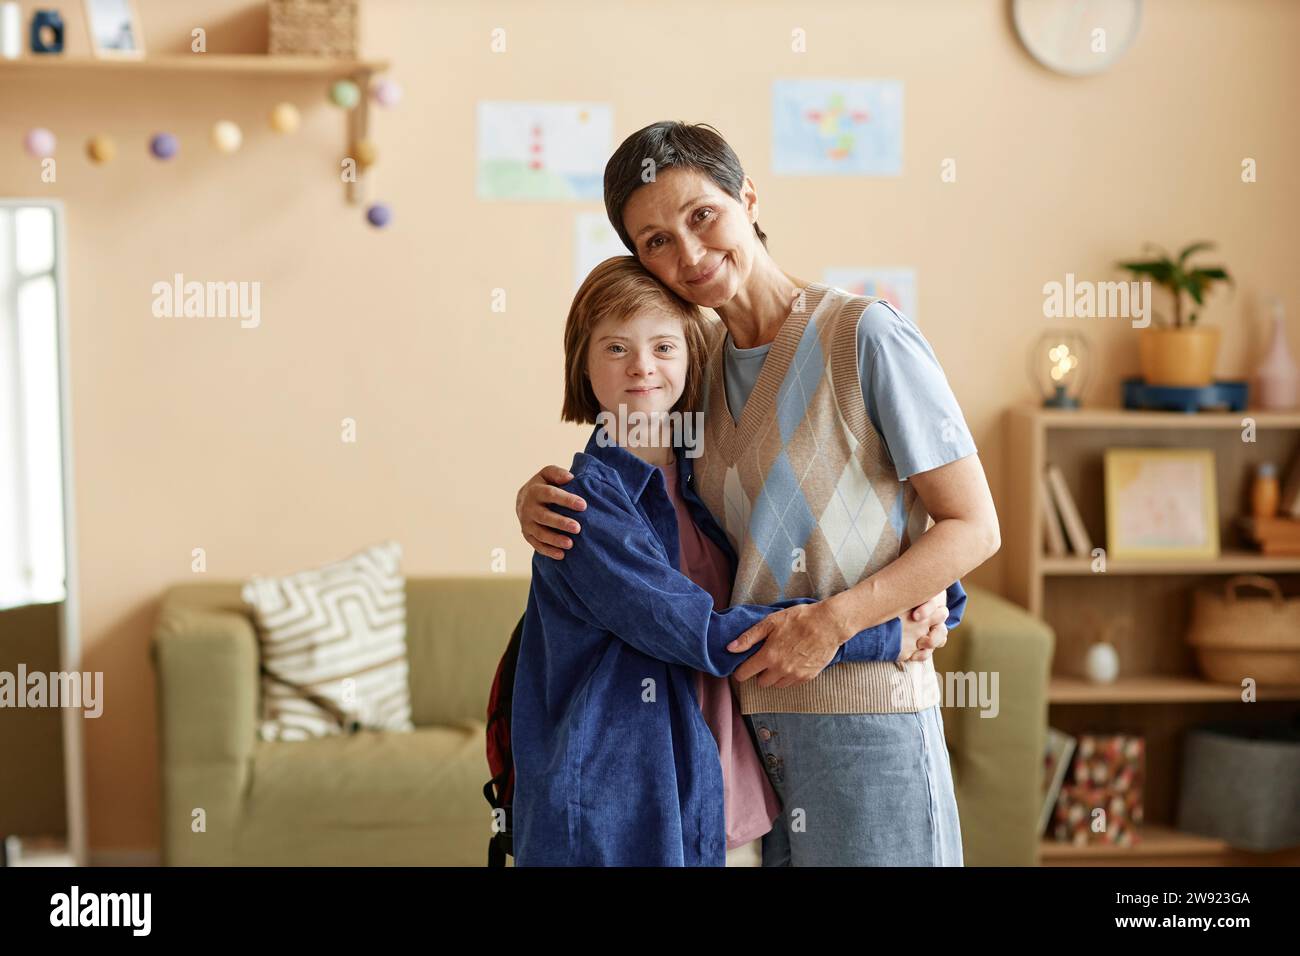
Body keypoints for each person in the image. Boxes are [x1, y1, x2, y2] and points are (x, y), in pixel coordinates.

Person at [516, 122, 999, 866]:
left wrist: (858, 618)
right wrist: (536, 498)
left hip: (867, 720)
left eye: (702, 215)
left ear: (747, 198)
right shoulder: (694, 372)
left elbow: (972, 525)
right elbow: (657, 516)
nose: (689, 254)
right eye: (657, 241)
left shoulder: (864, 336)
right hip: (745, 743)